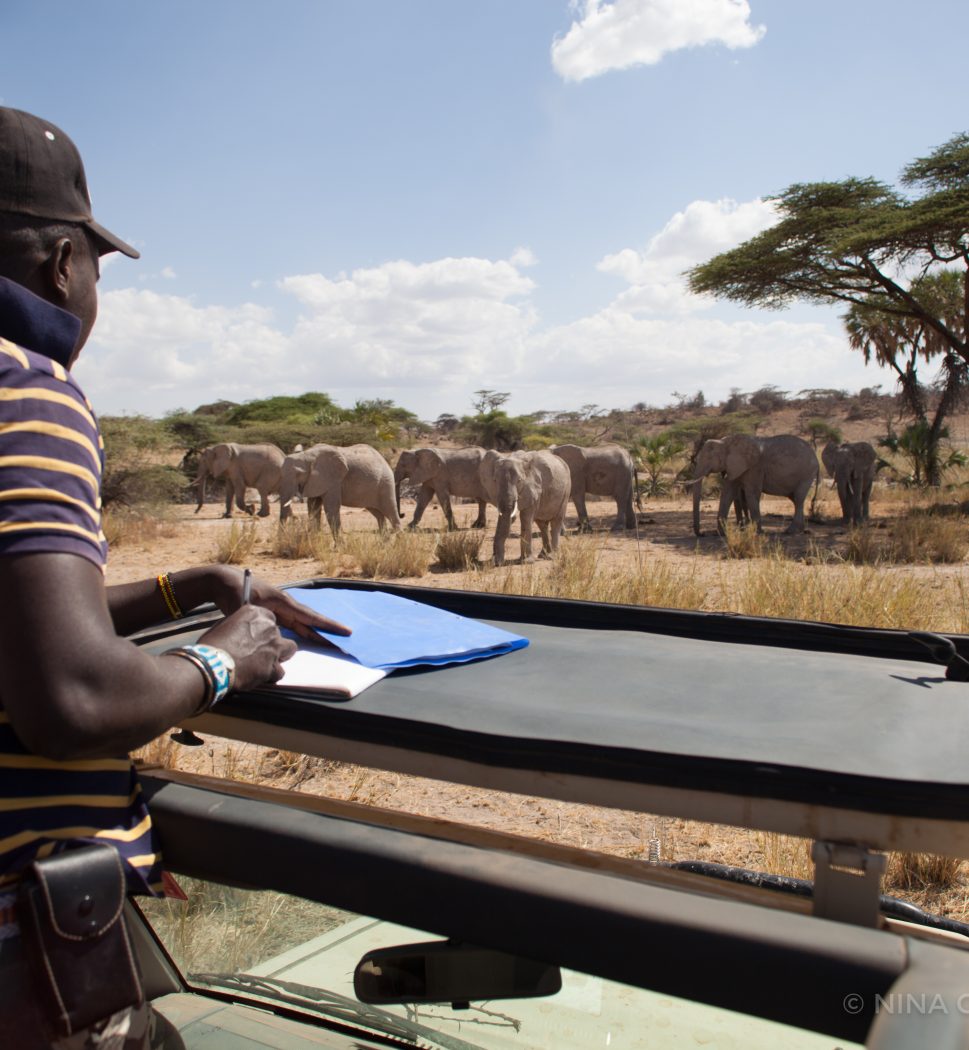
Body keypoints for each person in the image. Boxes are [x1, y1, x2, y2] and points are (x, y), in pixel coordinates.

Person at [0, 106, 350, 1048]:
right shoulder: (24, 390)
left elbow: (19, 622)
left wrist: (186, 586)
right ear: (62, 265)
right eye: (97, 271)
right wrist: (222, 661)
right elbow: (68, 698)